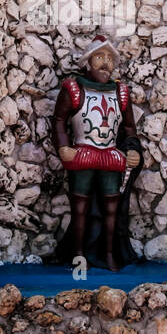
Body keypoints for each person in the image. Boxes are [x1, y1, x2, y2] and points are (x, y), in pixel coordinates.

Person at [50, 33, 141, 272]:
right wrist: (63, 147)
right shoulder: (74, 89)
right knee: (79, 206)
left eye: (110, 58)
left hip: (110, 155)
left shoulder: (121, 93)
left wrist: (132, 149)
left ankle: (109, 254)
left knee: (112, 205)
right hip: (82, 154)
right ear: (88, 62)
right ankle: (78, 255)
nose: (105, 63)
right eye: (99, 57)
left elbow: (129, 128)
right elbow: (60, 120)